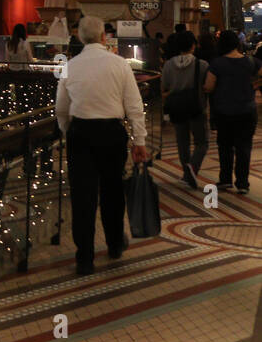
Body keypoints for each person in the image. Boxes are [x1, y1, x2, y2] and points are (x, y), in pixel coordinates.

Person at [55, 16, 149, 275]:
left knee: (83, 196)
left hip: (81, 133)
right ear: (103, 37)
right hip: (111, 133)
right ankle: (115, 243)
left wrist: (67, 130)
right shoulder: (119, 65)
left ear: (80, 37)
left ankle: (84, 257)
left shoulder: (70, 66)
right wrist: (139, 140)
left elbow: (61, 108)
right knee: (112, 190)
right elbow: (134, 106)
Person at [204, 30, 262, 193]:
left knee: (225, 146)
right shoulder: (252, 62)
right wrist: (255, 85)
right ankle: (243, 184)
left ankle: (225, 179)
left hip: (224, 111)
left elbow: (209, 86)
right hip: (247, 111)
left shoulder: (217, 63)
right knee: (244, 147)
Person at [161, 31, 208, 188]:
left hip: (176, 107)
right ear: (193, 45)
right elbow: (207, 87)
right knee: (201, 142)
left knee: (182, 142)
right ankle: (192, 168)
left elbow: (164, 87)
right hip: (196, 107)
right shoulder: (202, 65)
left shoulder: (168, 65)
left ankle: (186, 174)